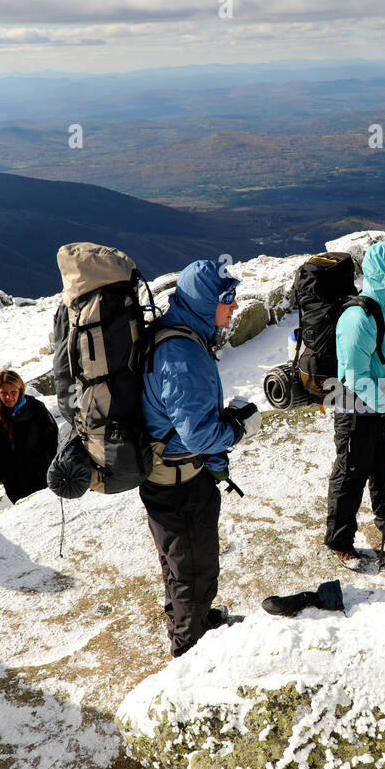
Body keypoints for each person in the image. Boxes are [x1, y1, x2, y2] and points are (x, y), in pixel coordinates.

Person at [138, 259, 259, 658]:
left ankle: (193, 622)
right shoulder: (181, 355)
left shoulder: (183, 335)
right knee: (193, 569)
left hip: (173, 476)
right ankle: (190, 653)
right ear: (206, 303)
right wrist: (240, 429)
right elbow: (199, 433)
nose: (236, 306)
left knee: (179, 564)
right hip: (180, 485)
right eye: (228, 299)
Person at [325, 240, 385, 560]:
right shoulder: (357, 318)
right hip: (355, 404)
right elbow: (355, 377)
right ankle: (340, 541)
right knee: (352, 472)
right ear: (381, 275)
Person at [0, 370, 59, 503]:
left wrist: (54, 466)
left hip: (40, 473)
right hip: (10, 477)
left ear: (20, 390)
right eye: (4, 393)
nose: (9, 397)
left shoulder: (35, 407)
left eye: (13, 392)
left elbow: (52, 436)